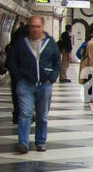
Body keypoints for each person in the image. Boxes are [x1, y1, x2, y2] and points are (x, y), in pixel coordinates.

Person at [7, 15, 60, 154]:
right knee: (25, 114)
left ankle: (40, 142)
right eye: (32, 26)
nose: (35, 29)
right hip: (25, 84)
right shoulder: (21, 43)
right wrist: (18, 77)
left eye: (37, 26)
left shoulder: (50, 43)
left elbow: (57, 62)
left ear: (42, 27)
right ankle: (23, 143)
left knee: (42, 115)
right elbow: (12, 60)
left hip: (44, 85)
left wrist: (52, 78)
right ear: (28, 27)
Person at [5, 19, 27, 124]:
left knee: (16, 94)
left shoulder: (13, 45)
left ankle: (17, 114)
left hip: (16, 76)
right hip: (22, 75)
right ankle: (22, 114)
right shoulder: (23, 45)